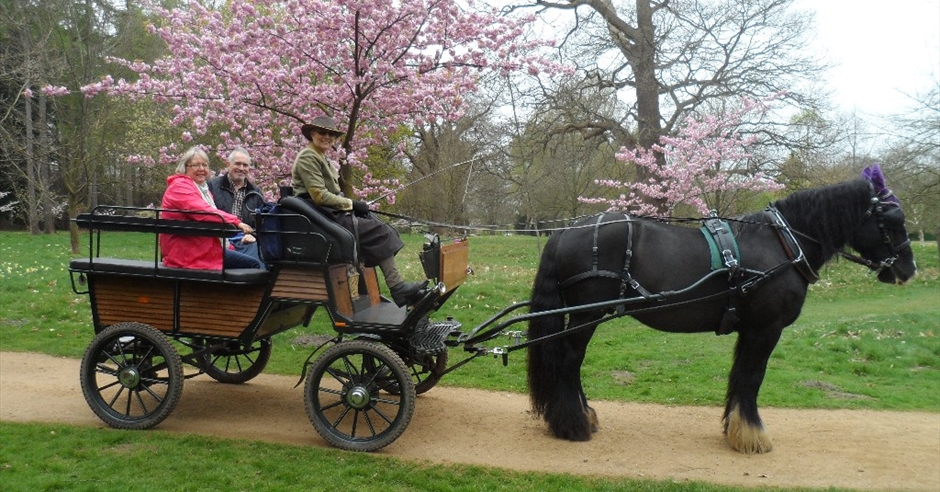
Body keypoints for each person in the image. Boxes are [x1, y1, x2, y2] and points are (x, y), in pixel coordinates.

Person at [291, 116, 425, 307]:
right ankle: (398, 289)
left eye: (331, 134)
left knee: (382, 228)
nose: (327, 137)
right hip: (320, 216)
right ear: (312, 134)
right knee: (381, 232)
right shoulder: (308, 157)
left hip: (329, 213)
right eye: (322, 132)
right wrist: (352, 204)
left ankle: (391, 288)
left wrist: (353, 206)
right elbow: (319, 196)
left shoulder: (321, 157)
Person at [160, 146, 263, 270]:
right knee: (254, 265)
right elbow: (202, 211)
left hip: (203, 246)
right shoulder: (180, 187)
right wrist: (236, 222)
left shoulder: (202, 188)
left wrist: (252, 235)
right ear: (185, 168)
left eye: (205, 165)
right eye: (196, 165)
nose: (201, 169)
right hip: (189, 252)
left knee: (259, 255)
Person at [208, 147, 266, 264]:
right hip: (218, 239)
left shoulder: (256, 193)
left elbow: (262, 223)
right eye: (238, 164)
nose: (241, 168)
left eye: (245, 165)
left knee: (258, 264)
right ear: (228, 164)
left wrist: (253, 235)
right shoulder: (212, 186)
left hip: (245, 241)